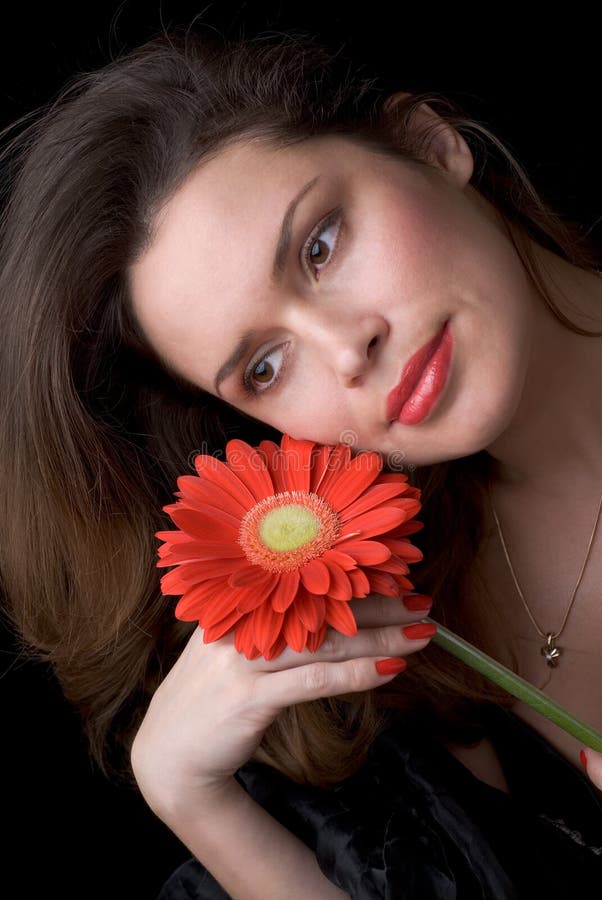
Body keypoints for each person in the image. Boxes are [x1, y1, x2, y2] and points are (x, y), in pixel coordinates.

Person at [1, 24, 601, 899]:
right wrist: (194, 799)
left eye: (319, 246)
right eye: (266, 367)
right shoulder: (405, 658)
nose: (347, 349)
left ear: (429, 144)